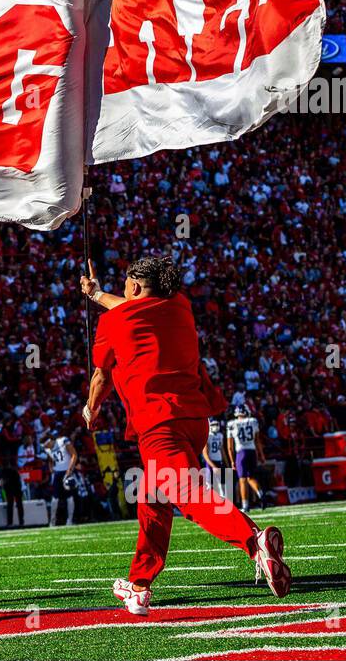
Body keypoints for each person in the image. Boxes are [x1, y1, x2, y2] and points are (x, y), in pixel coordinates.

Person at [81, 256, 290, 616]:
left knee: (186, 493)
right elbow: (134, 306)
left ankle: (254, 542)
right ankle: (139, 586)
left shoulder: (114, 322)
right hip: (193, 419)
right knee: (153, 501)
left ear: (132, 287)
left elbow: (101, 377)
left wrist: (91, 408)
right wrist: (98, 294)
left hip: (157, 423)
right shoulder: (179, 307)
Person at [226, 406, 266, 511]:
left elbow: (229, 447)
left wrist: (232, 461)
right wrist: (261, 455)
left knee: (242, 480)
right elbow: (258, 441)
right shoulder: (253, 421)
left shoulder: (231, 424)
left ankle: (245, 505)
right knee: (251, 477)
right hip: (252, 452)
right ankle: (260, 494)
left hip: (241, 453)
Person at [43, 432, 78, 526]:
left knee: (69, 497)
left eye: (46, 445)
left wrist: (70, 469)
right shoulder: (47, 449)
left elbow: (74, 455)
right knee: (55, 498)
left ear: (50, 441)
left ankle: (69, 520)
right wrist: (51, 468)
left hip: (67, 471)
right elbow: (50, 459)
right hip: (57, 472)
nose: (46, 447)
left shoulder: (63, 441)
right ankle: (52, 522)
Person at [0, 426, 25, 528]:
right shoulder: (6, 468)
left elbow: (4, 478)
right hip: (11, 485)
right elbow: (2, 479)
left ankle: (17, 521)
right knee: (13, 504)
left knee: (15, 504)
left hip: (14, 484)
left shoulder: (8, 467)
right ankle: (14, 522)